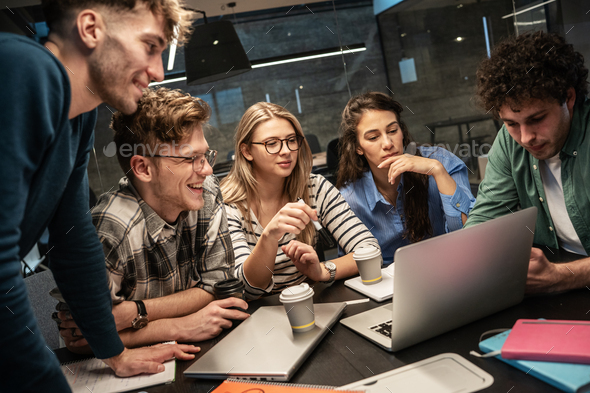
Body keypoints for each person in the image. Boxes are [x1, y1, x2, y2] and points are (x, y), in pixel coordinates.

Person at [0, 1, 199, 391]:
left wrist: (114, 354)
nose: (158, 72)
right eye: (150, 46)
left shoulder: (79, 115)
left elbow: (73, 239)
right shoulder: (26, 70)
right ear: (91, 29)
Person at [55, 87, 249, 352]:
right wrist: (176, 327)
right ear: (144, 168)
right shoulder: (111, 229)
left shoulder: (206, 191)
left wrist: (136, 311)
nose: (207, 170)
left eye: (205, 155)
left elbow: (218, 286)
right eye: (191, 158)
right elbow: (82, 338)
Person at [465, 31, 590, 294]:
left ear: (568, 98)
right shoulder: (510, 141)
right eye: (511, 123)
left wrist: (563, 276)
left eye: (537, 119)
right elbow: (486, 218)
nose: (525, 137)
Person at [220, 102, 380, 299]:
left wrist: (322, 271)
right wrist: (269, 236)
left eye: (291, 140)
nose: (286, 150)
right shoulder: (228, 205)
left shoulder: (313, 187)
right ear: (246, 151)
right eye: (271, 143)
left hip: (307, 305)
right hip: (257, 315)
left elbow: (371, 252)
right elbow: (250, 288)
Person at [337, 92, 476, 265]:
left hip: (451, 269)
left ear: (402, 131)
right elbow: (354, 264)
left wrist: (438, 172)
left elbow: (471, 234)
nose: (388, 143)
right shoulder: (349, 198)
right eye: (373, 137)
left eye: (393, 131)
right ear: (358, 147)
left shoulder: (441, 161)